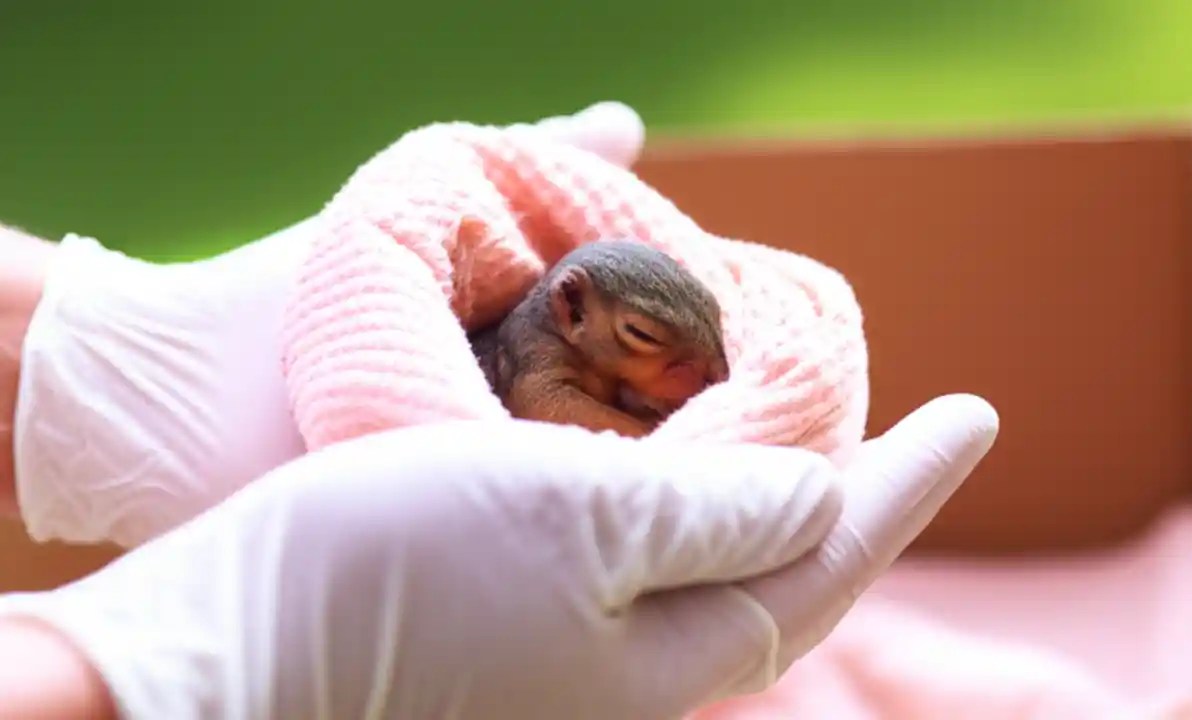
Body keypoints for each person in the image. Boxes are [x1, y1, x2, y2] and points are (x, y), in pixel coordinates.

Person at [0, 102, 999, 719]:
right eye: (655, 355)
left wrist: (83, 357)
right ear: (569, 310)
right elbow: (548, 415)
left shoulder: (606, 336)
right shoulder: (533, 364)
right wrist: (177, 671)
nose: (691, 392)